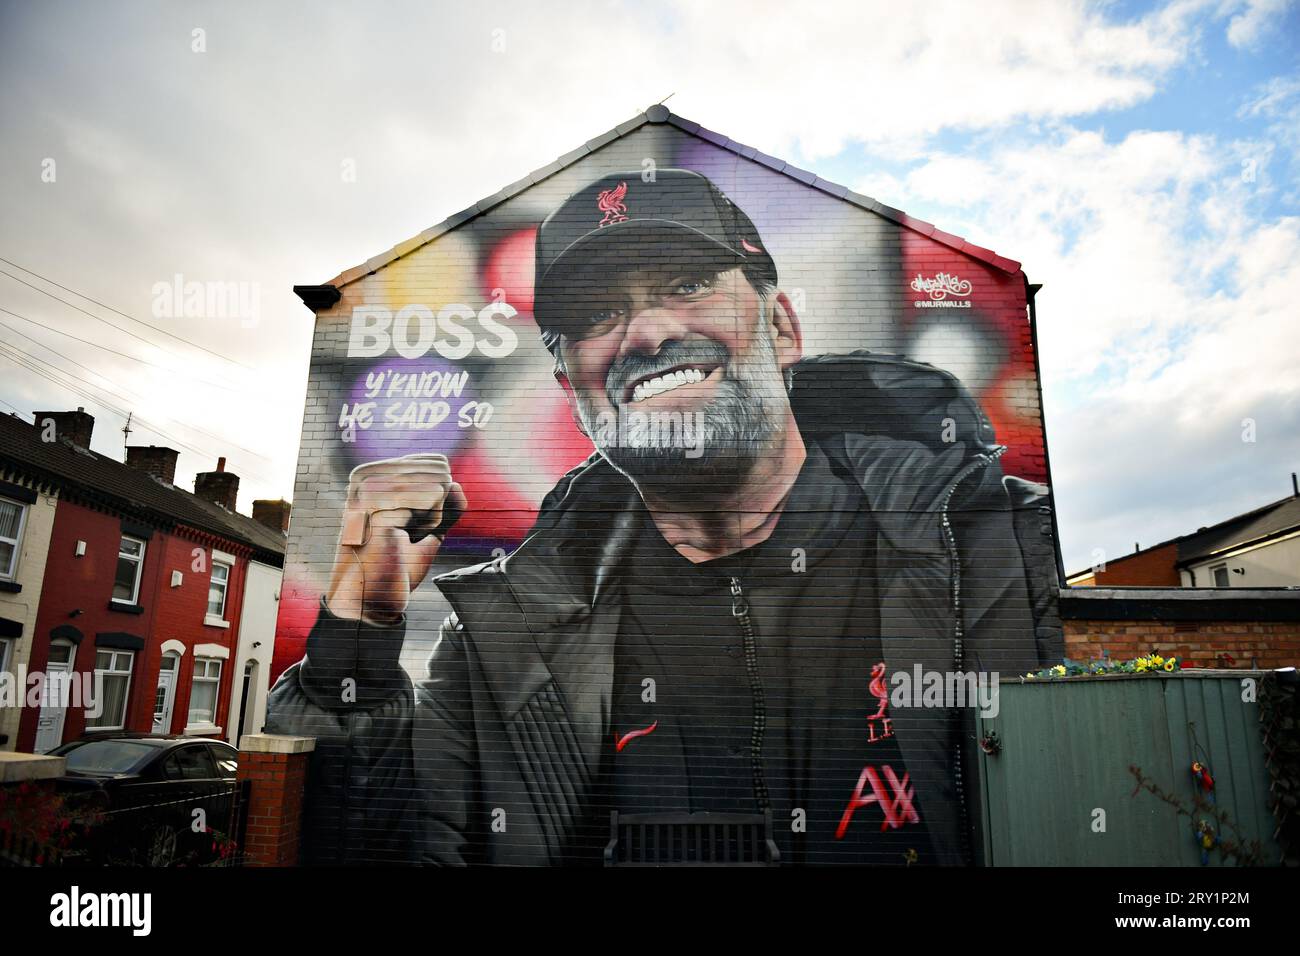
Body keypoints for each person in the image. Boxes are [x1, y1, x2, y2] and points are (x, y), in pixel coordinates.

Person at [267, 168, 1062, 865]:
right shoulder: (496, 638)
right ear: (573, 390)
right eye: (599, 317)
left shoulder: (991, 544)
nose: (646, 333)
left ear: (781, 327)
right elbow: (383, 850)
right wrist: (357, 641)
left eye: (686, 286)